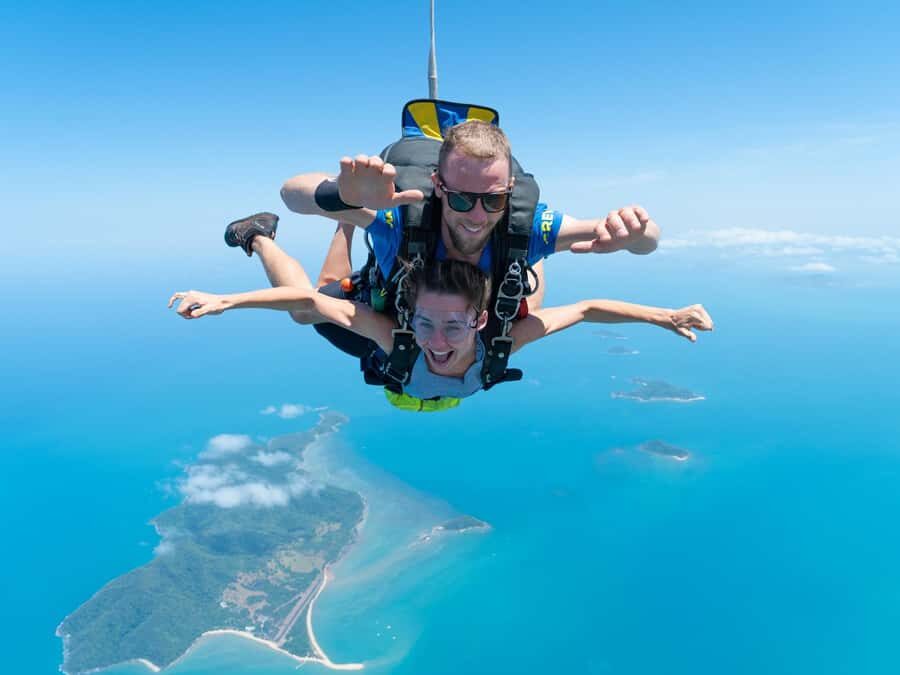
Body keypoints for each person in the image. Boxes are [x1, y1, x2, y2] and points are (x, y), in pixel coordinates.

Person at [169, 241, 713, 411]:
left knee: (528, 294)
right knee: (307, 308)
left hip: (399, 361)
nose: (435, 341)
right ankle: (260, 236)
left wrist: (665, 317)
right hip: (379, 335)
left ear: (477, 322)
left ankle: (522, 247)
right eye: (427, 323)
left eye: (453, 329)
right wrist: (227, 301)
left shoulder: (497, 336)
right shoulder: (398, 335)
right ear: (411, 315)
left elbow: (590, 309)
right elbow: (310, 299)